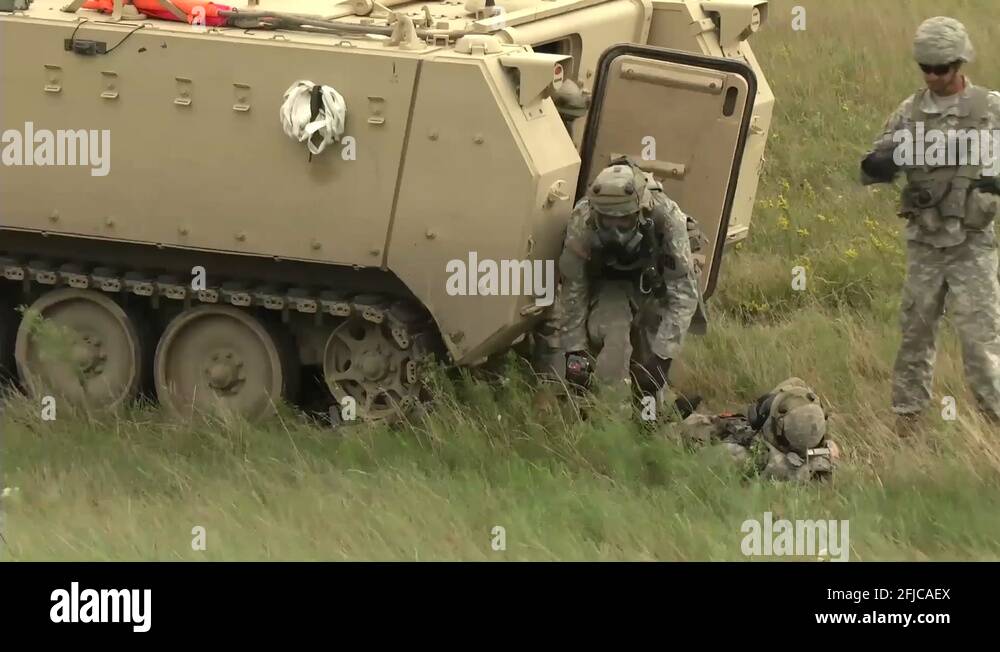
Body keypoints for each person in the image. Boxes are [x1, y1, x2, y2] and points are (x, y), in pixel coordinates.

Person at [860, 16, 1000, 429]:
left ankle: (994, 423)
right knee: (915, 335)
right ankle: (907, 421)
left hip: (972, 244)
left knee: (981, 342)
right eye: (926, 68)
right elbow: (870, 166)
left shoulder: (990, 108)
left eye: (942, 68)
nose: (934, 76)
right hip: (924, 242)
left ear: (960, 64)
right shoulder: (909, 112)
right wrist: (880, 164)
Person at [544, 155, 706, 410]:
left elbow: (683, 294)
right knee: (615, 340)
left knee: (649, 365)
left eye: (624, 222)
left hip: (656, 287)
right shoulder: (583, 220)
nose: (615, 231)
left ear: (639, 212)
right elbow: (573, 288)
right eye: (607, 222)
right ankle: (605, 413)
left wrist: (663, 357)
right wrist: (575, 352)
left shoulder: (667, 217)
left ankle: (648, 420)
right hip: (610, 286)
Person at [678, 377, 839, 482]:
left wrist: (677, 420)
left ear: (777, 428)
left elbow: (691, 466)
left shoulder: (738, 455)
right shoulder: (820, 464)